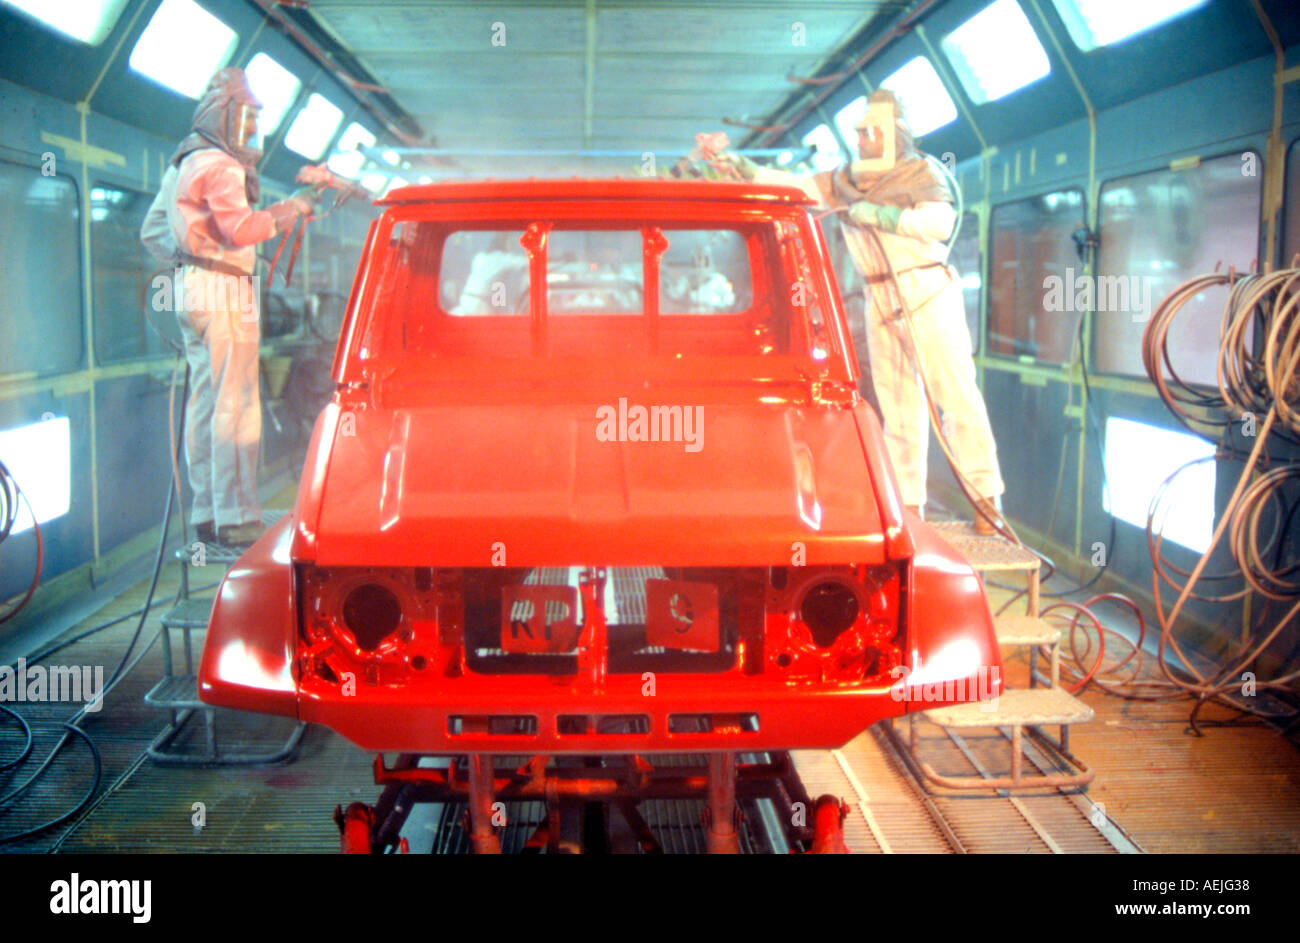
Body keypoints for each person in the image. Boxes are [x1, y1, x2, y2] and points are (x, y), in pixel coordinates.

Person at [718, 90, 1006, 535]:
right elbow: (793, 187)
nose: (860, 138)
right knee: (898, 405)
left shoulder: (921, 172)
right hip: (880, 295)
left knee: (955, 397)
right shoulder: (846, 179)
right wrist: (748, 170)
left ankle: (987, 502)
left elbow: (940, 223)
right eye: (859, 131)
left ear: (893, 135)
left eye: (870, 131)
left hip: (925, 288)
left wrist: (885, 216)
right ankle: (910, 506)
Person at [141, 68, 316, 547]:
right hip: (225, 291)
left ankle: (206, 514)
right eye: (248, 119)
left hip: (191, 290)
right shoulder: (222, 164)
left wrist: (192, 257)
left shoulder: (183, 161)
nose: (253, 130)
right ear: (226, 116)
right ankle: (237, 516)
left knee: (204, 401)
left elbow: (152, 232)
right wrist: (292, 209)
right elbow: (243, 230)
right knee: (236, 403)